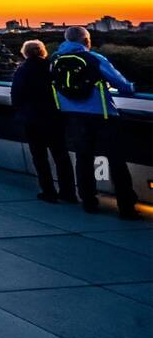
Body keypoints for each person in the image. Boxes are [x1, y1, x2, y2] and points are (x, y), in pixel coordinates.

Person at [51, 26, 138, 219]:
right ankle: (126, 208)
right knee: (116, 162)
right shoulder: (95, 59)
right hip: (102, 116)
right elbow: (121, 85)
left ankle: (89, 202)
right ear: (86, 40)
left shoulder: (55, 60)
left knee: (83, 160)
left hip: (72, 116)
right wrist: (132, 87)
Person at [11, 39, 75, 203]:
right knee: (61, 155)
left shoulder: (22, 70)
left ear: (25, 53)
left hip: (32, 119)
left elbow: (16, 97)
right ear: (42, 51)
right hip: (54, 117)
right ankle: (68, 192)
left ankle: (48, 191)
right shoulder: (52, 67)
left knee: (39, 157)